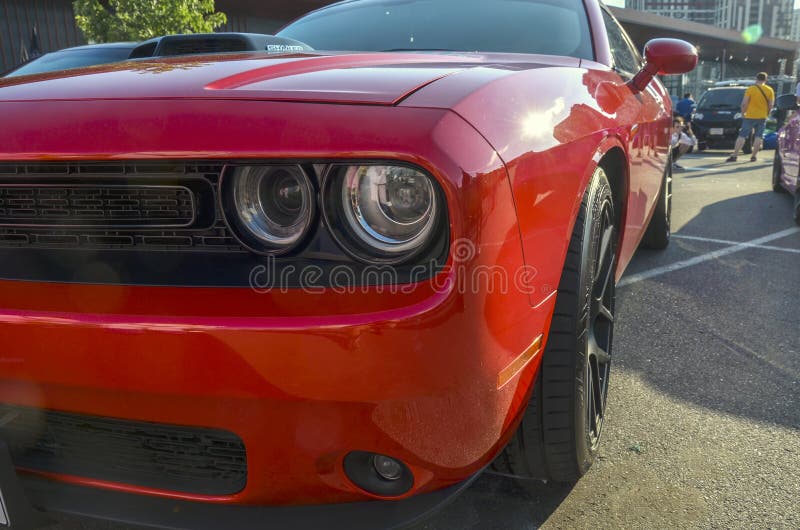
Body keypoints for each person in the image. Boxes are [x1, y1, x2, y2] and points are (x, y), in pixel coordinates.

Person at [726, 72, 775, 162]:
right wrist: (767, 113)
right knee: (758, 136)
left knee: (742, 135)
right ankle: (753, 156)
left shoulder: (751, 89)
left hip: (749, 116)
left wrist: (743, 113)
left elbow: (744, 103)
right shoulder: (770, 90)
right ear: (765, 80)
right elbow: (771, 104)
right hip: (762, 116)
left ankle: (735, 155)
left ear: (756, 78)